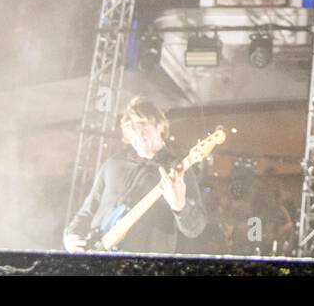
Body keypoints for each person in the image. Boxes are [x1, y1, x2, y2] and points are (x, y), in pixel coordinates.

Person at [64, 98, 207, 254]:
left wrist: (180, 207)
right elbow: (87, 210)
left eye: (142, 126)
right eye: (131, 129)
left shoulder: (178, 170)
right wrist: (71, 234)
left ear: (160, 126)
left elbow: (196, 228)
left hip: (143, 263)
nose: (138, 134)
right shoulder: (113, 164)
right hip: (97, 255)